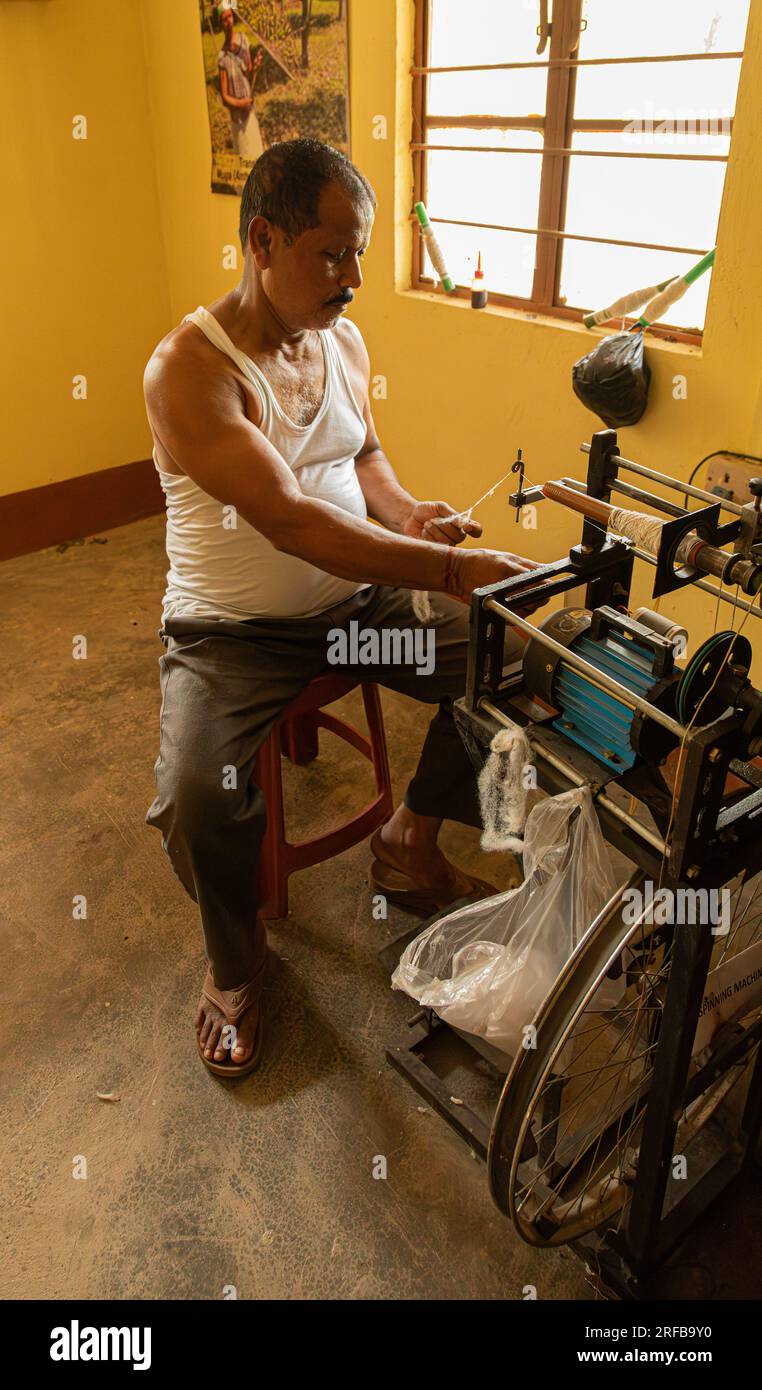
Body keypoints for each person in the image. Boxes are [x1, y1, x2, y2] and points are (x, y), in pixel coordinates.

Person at [143, 138, 541, 1076]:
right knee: (198, 797)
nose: (354, 278)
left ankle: (411, 837)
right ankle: (236, 969)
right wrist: (448, 572)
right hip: (229, 636)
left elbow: (362, 456)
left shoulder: (339, 338)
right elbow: (288, 520)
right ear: (263, 239)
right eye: (332, 254)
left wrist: (411, 518)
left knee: (518, 652)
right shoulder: (190, 373)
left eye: (358, 253)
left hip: (356, 611)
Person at [216, 0, 264, 162]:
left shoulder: (244, 41)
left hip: (249, 113)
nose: (228, 22)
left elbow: (249, 72)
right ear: (221, 24)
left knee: (257, 154)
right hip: (237, 117)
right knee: (244, 157)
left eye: (229, 17)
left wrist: (255, 67)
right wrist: (240, 103)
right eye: (224, 19)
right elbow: (224, 97)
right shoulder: (222, 57)